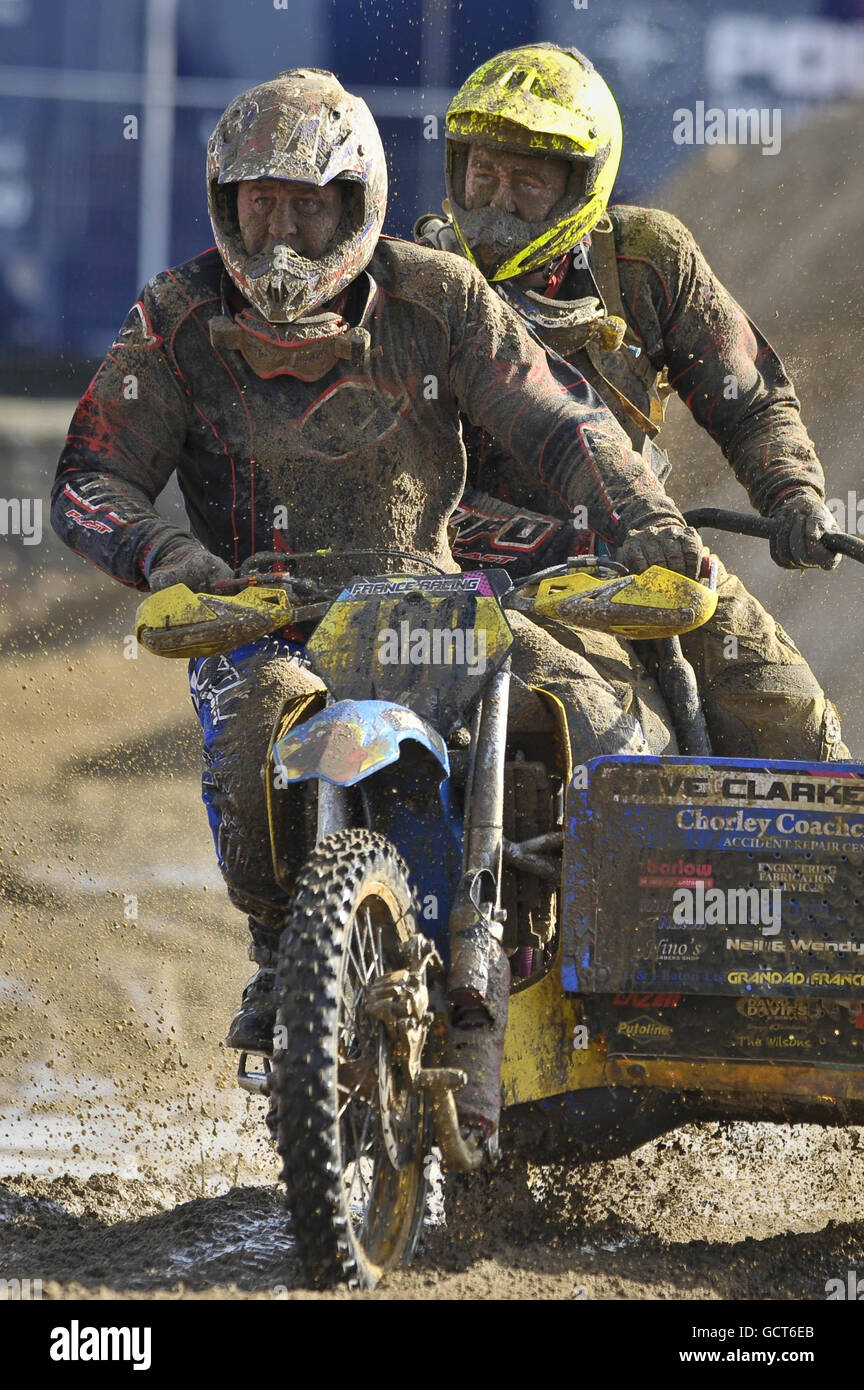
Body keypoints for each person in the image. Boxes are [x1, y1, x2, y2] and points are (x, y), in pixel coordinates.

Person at [51, 68, 706, 1063]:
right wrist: (168, 553)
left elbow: (563, 421)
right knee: (251, 733)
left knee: (607, 722)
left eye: (307, 208)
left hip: (435, 607)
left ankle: (616, 971)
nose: (278, 236)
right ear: (224, 201)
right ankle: (284, 947)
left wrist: (647, 521)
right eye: (258, 203)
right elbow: (89, 478)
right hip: (260, 619)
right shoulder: (174, 319)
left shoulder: (438, 297)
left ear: (356, 201)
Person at [417, 43, 848, 763]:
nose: (496, 200)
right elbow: (393, 479)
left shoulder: (647, 259)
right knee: (612, 737)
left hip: (647, 548)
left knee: (797, 726)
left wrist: (794, 494)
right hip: (468, 571)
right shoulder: (416, 285)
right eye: (483, 171)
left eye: (527, 179)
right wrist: (572, 543)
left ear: (583, 184)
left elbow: (748, 395)